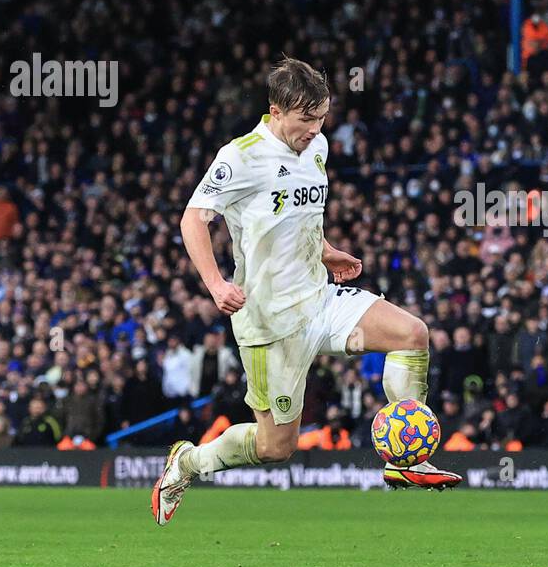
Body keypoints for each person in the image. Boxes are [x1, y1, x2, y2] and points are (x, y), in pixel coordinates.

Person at [152, 57, 461, 526]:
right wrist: (216, 284)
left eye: (321, 118)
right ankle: (187, 464)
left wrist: (327, 250)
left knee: (412, 334)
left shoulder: (317, 148)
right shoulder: (240, 156)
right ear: (275, 110)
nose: (315, 129)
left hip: (319, 300)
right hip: (269, 321)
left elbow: (300, 219)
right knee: (276, 446)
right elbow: (193, 219)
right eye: (305, 119)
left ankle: (405, 461)